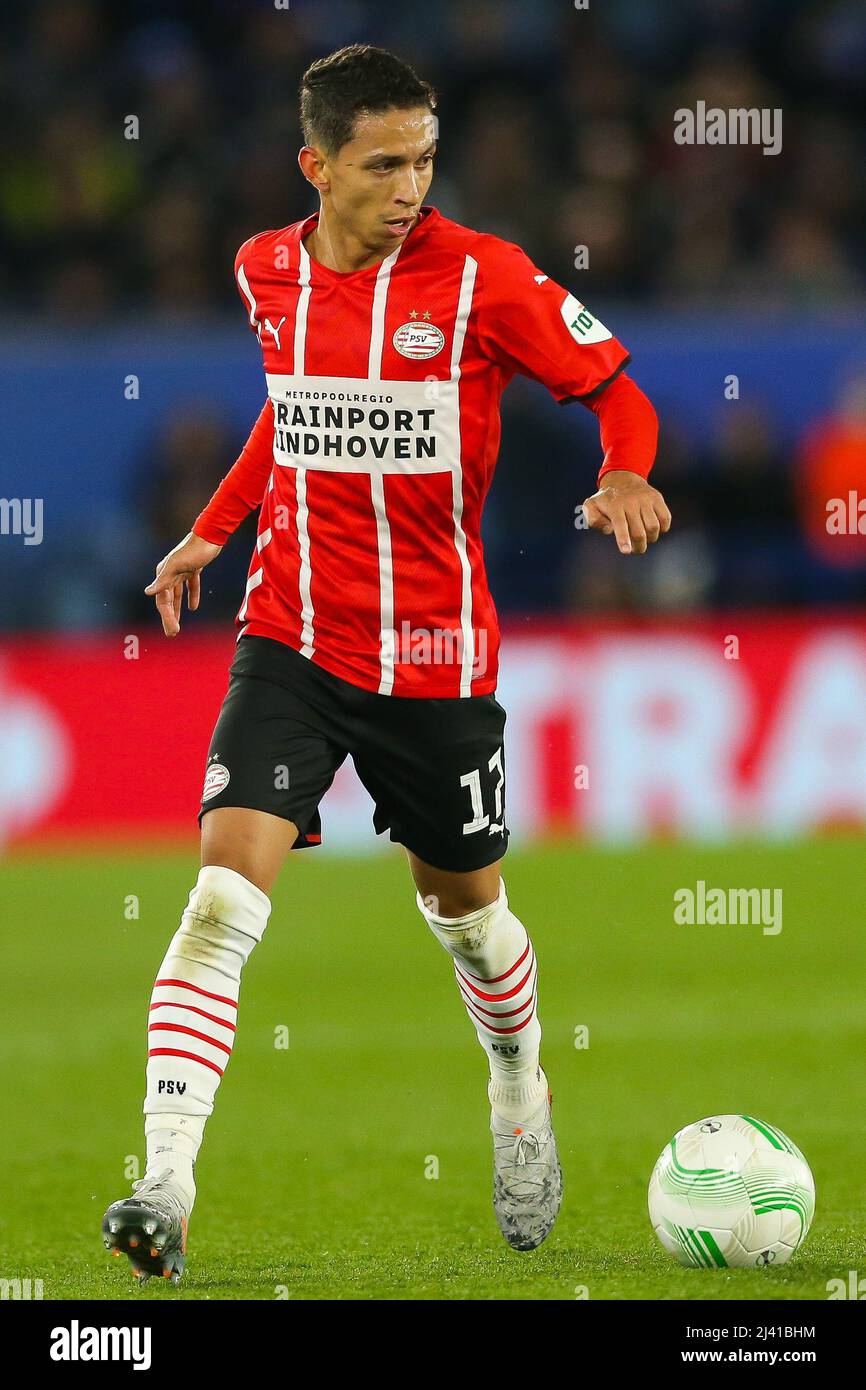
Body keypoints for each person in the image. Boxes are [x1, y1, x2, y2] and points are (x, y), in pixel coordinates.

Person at [102, 44, 669, 1285]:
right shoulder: (264, 269)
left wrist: (622, 468)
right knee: (218, 902)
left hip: (436, 658)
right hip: (293, 636)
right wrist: (215, 522)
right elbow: (290, 408)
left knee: (467, 918)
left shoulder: (483, 277)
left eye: (423, 159)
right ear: (317, 165)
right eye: (381, 163)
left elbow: (614, 386)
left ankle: (517, 1078)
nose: (409, 185)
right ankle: (166, 1176)